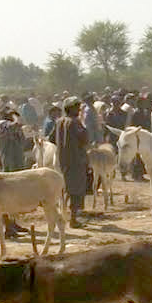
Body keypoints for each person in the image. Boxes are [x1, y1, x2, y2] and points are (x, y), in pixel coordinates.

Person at [55, 97, 89, 228]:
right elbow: (85, 138)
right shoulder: (75, 122)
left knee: (66, 189)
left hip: (63, 160)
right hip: (76, 160)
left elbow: (53, 138)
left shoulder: (59, 122)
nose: (79, 109)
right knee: (76, 190)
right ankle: (73, 220)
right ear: (71, 108)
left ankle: (64, 216)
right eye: (77, 107)